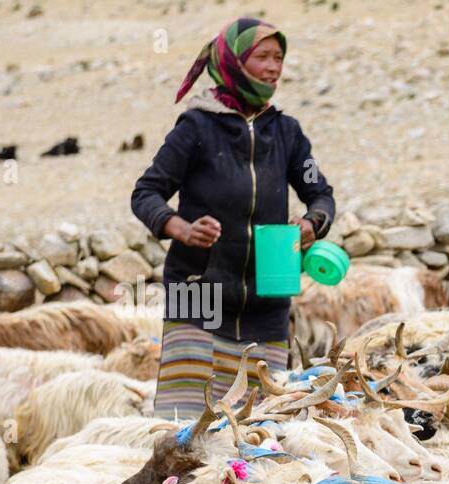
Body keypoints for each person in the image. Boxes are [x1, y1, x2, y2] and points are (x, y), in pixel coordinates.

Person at [131, 17, 335, 419]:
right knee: (187, 428)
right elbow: (146, 192)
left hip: (268, 300)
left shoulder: (288, 133)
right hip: (197, 297)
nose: (274, 67)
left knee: (264, 429)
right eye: (263, 56)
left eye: (279, 57)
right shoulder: (196, 126)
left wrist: (313, 223)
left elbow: (321, 195)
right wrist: (180, 228)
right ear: (234, 62)